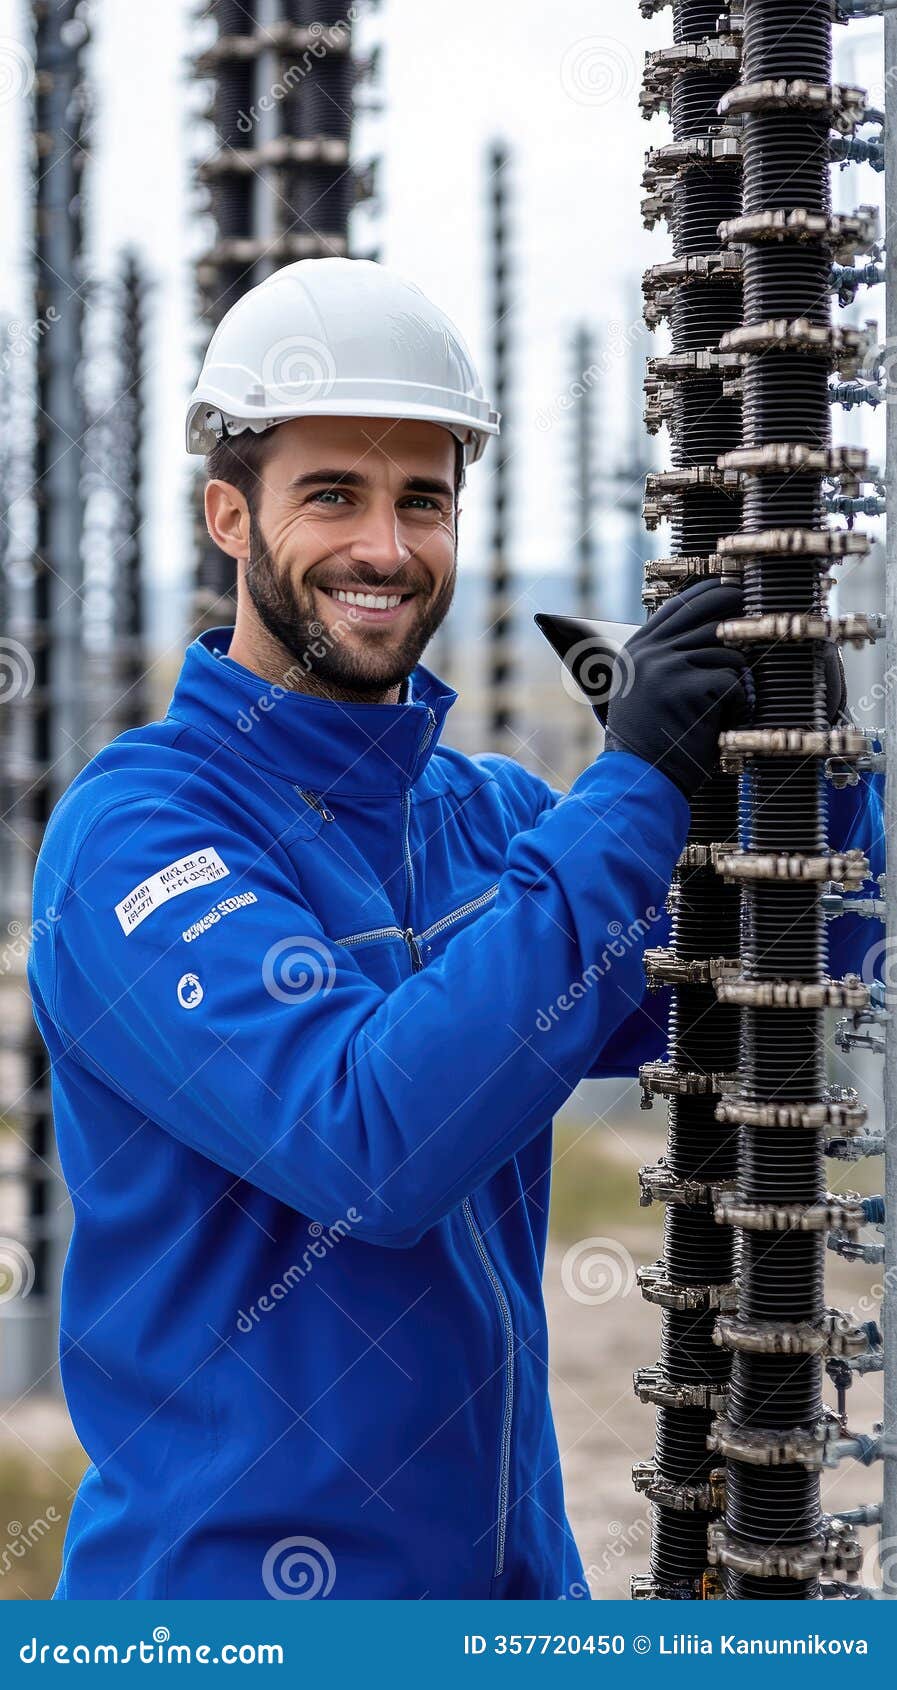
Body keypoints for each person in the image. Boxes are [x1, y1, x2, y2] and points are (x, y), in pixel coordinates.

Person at [27, 258, 882, 1600]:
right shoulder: (138, 840)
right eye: (331, 494)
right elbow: (372, 1139)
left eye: (420, 499)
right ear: (227, 515)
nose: (384, 546)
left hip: (504, 1599)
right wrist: (634, 783)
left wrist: (817, 759)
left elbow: (797, 969)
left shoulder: (485, 821)